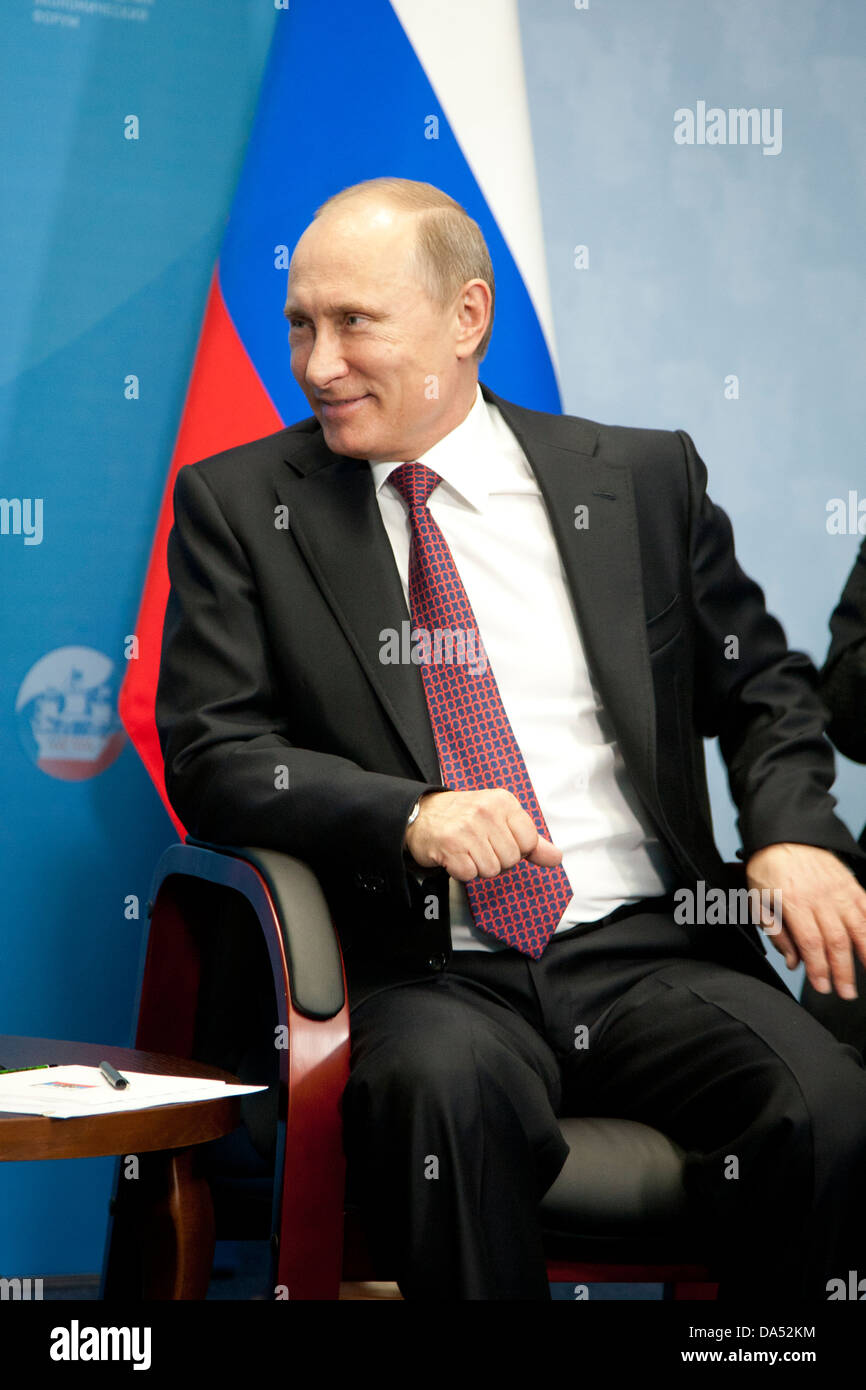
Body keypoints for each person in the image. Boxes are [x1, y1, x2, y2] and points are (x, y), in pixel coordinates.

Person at [156, 176, 866, 1301]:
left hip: (643, 948)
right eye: (300, 323)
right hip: (426, 968)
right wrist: (408, 813)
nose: (315, 364)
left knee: (825, 1104)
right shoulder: (246, 505)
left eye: (353, 324)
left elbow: (763, 684)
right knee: (441, 1095)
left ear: (465, 318)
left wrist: (789, 833)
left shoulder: (636, 480)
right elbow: (215, 753)